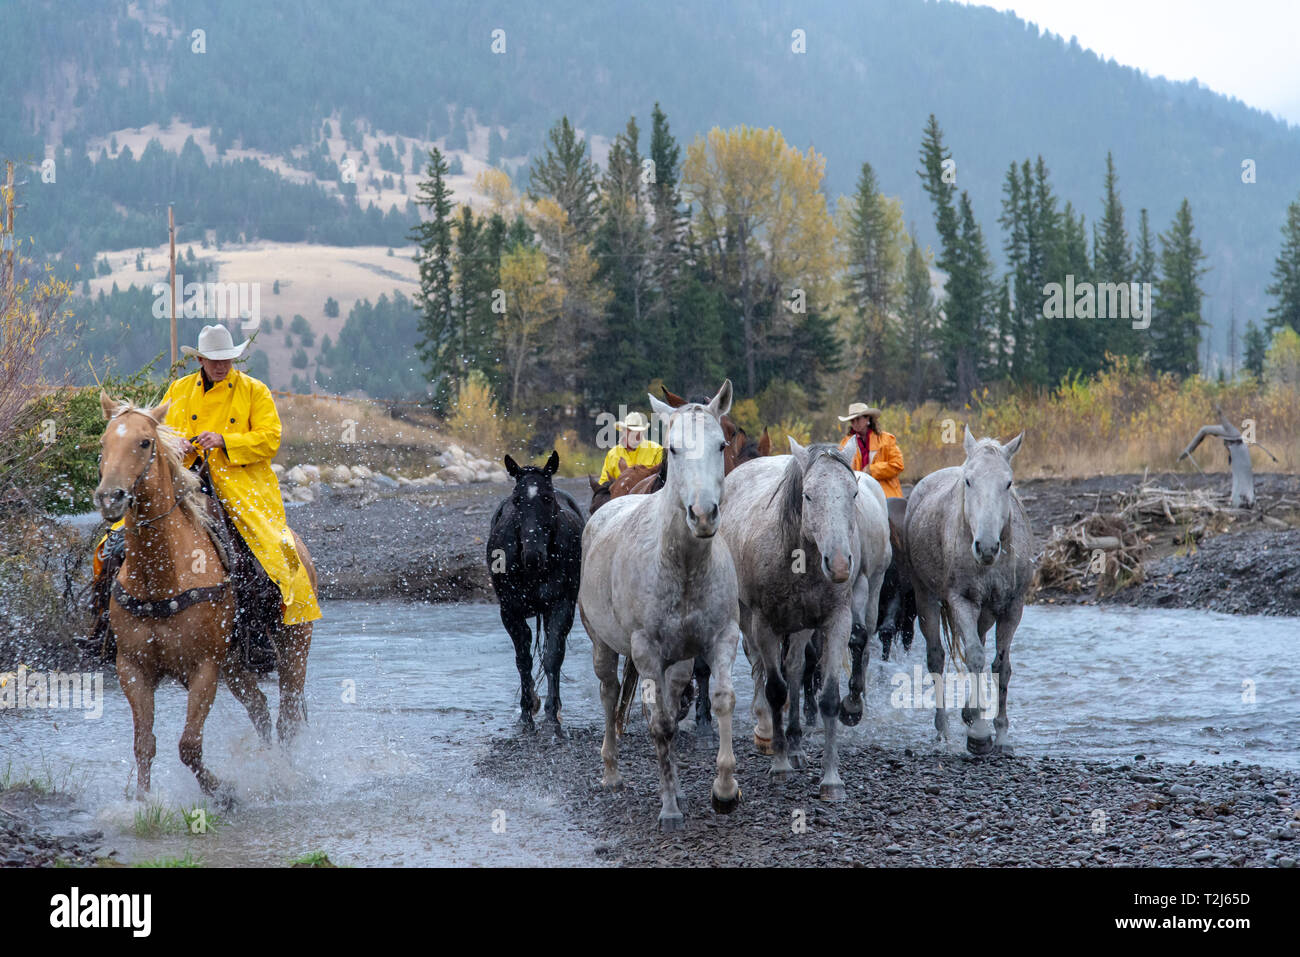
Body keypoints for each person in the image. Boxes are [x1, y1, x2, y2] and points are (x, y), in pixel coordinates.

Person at [93, 324, 320, 659]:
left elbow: (270, 438)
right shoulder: (180, 390)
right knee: (110, 547)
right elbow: (159, 437)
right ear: (199, 359)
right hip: (186, 484)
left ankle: (256, 628)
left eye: (226, 359)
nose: (221, 365)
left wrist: (226, 440)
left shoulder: (254, 391)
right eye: (214, 359)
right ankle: (106, 628)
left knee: (261, 556)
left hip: (241, 488)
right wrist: (178, 443)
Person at [837, 401, 904, 498]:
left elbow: (898, 465)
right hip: (857, 494)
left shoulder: (886, 439)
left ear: (867, 418)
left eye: (858, 419)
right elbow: (840, 470)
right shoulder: (845, 444)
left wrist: (871, 470)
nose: (855, 423)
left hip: (886, 494)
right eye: (852, 421)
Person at [597, 410, 663, 485]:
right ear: (623, 431)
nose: (635, 434)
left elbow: (664, 482)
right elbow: (603, 483)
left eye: (639, 431)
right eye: (631, 431)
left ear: (643, 432)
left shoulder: (657, 451)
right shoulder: (612, 454)